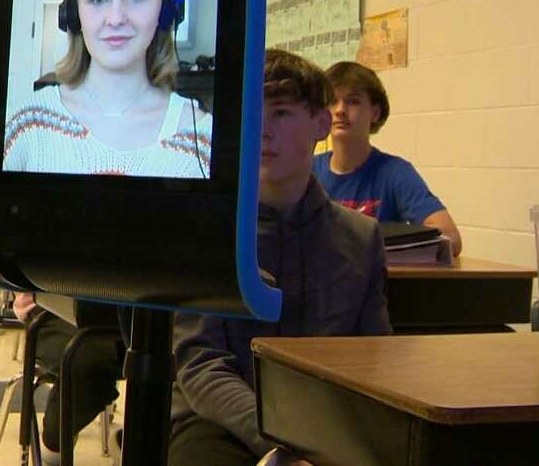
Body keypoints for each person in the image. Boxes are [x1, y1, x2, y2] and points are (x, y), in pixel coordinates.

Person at [168, 49, 391, 465]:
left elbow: (372, 359)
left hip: (326, 425)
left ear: (321, 124)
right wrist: (283, 447)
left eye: (282, 113)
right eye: (252, 112)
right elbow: (202, 367)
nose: (262, 130)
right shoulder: (207, 230)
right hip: (220, 422)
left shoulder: (360, 237)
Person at [4, 0, 211, 177]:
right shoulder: (26, 127)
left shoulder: (202, 141)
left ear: (168, 10)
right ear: (72, 14)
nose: (115, 19)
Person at [314, 60, 463, 255]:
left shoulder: (395, 173)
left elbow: (451, 239)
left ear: (374, 112)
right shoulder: (306, 170)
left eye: (353, 101)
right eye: (333, 101)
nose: (340, 110)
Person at [12, 293, 123, 465]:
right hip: (52, 303)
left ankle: (139, 443)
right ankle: (52, 447)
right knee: (88, 362)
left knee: (169, 354)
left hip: (134, 305)